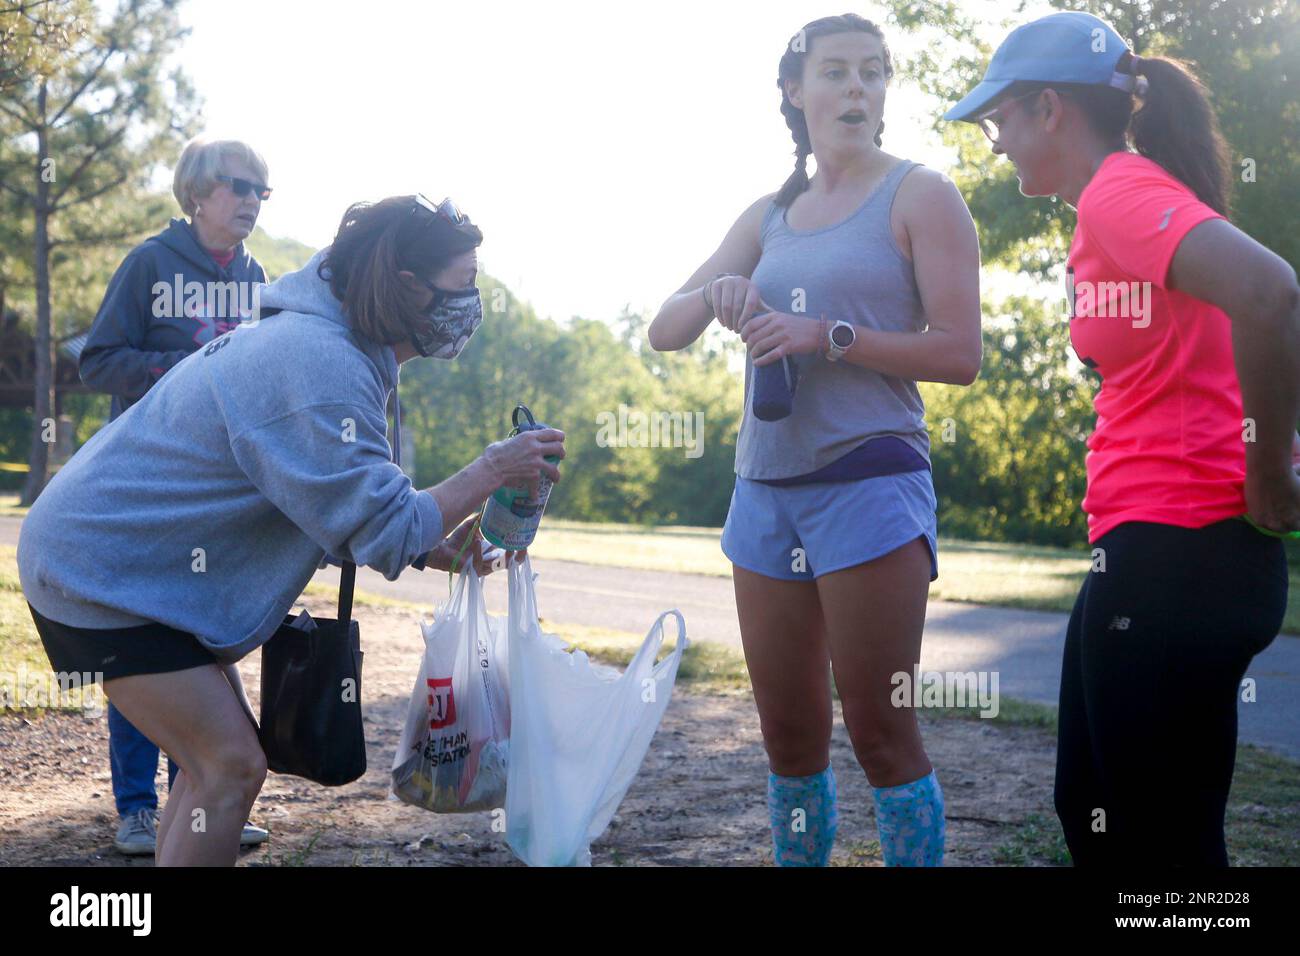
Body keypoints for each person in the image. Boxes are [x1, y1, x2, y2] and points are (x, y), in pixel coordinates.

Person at [18, 193, 565, 866]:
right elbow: (385, 531)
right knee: (230, 766)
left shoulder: (334, 347)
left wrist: (433, 545)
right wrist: (491, 470)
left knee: (208, 768)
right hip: (98, 574)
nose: (471, 307)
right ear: (405, 289)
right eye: (461, 289)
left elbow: (341, 503)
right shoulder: (319, 364)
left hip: (123, 568)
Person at [945, 11, 1300, 866]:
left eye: (1000, 121)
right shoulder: (1125, 199)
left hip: (1180, 552)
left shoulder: (1120, 193)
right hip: (1167, 554)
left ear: (1050, 110)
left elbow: (1272, 294)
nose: (997, 145)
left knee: (1151, 840)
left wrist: (1270, 480)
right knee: (1106, 809)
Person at [648, 14, 981, 866]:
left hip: (869, 484)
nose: (858, 89)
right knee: (790, 744)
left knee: (881, 736)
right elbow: (664, 330)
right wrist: (720, 289)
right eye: (835, 72)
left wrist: (825, 335)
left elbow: (959, 353)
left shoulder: (921, 194)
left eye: (872, 72)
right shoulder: (770, 213)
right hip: (764, 494)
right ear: (795, 93)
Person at [78, 137, 273, 855]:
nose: (251, 199)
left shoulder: (260, 279)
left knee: (203, 647)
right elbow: (98, 359)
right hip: (144, 492)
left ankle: (200, 800)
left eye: (262, 190)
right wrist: (188, 368)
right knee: (142, 651)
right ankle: (135, 811)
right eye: (237, 185)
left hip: (216, 496)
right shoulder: (148, 263)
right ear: (197, 192)